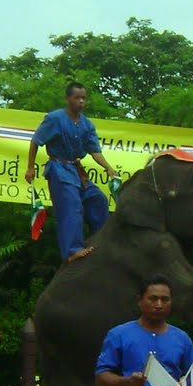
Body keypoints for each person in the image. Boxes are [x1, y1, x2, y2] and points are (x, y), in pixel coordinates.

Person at [24, 80, 121, 262]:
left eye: (84, 98)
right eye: (77, 98)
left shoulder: (86, 124)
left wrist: (108, 167)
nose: (81, 102)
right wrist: (30, 167)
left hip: (77, 170)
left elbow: (94, 151)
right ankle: (72, 250)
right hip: (59, 168)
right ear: (68, 98)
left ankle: (102, 240)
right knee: (72, 206)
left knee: (97, 199)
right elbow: (36, 141)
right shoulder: (54, 119)